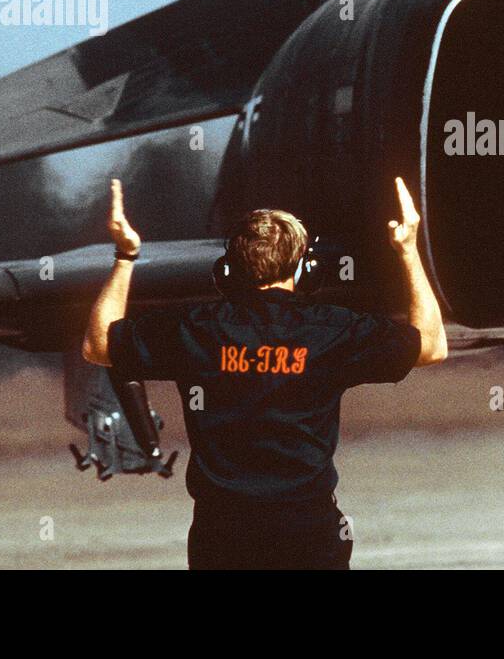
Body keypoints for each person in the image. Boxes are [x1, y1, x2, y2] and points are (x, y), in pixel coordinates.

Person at [81, 176, 447, 569]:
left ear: (227, 271)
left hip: (221, 534)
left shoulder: (197, 330)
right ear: (306, 269)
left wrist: (125, 256)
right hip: (309, 532)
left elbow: (97, 344)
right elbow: (432, 345)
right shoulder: (332, 331)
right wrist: (408, 250)